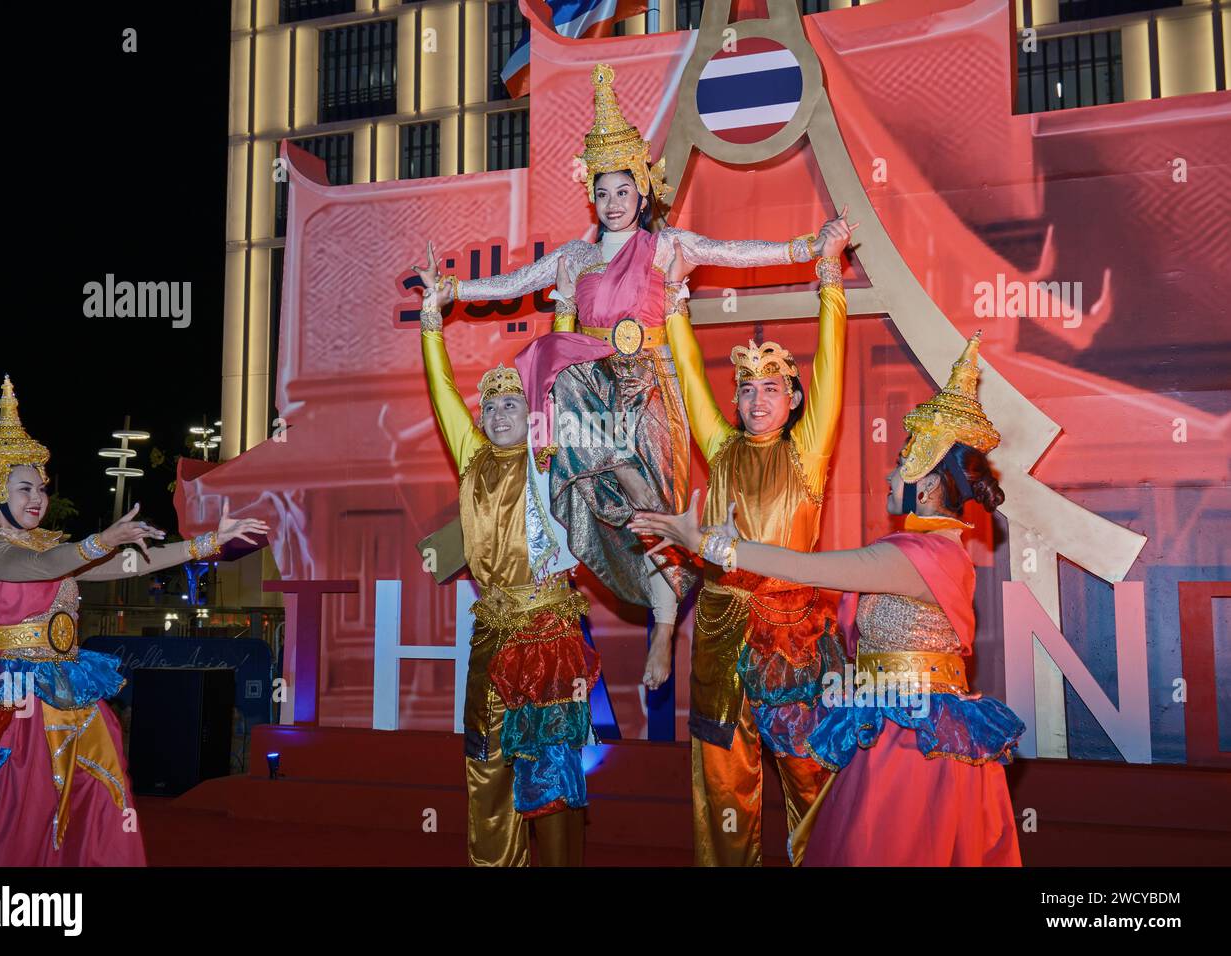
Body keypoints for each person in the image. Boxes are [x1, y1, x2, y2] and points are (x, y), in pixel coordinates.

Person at [416, 63, 835, 691]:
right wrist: (452, 289)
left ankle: (665, 623)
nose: (613, 204)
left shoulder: (666, 247)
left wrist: (808, 249)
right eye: (603, 193)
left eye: (624, 191)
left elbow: (737, 251)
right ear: (594, 195)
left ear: (643, 190)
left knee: (658, 511)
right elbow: (511, 286)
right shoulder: (577, 258)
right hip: (595, 391)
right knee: (564, 380)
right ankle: (629, 528)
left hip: (650, 386)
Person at [631, 334, 1026, 866]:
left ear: (929, 486)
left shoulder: (920, 557)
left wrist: (708, 542)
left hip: (912, 746)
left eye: (904, 460)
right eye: (746, 390)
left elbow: (804, 568)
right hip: (887, 728)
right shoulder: (923, 548)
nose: (890, 473)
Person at [0, 376, 268, 864]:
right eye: (24, 488)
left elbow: (130, 564)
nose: (37, 498)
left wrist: (209, 542)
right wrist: (102, 541)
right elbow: (42, 568)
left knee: (91, 786)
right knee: (18, 800)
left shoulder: (54, 545)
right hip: (8, 690)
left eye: (41, 488)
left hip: (66, 681)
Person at [631, 211, 855, 865]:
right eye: (747, 390)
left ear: (793, 398)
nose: (758, 401)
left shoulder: (806, 454)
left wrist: (829, 276)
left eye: (772, 389)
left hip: (795, 640)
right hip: (723, 640)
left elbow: (833, 373)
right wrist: (674, 299)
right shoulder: (721, 450)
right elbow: (691, 379)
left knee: (815, 787)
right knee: (726, 793)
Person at [419, 293, 600, 866]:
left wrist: (566, 306)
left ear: (532, 415)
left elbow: (556, 371)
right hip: (492, 636)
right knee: (487, 764)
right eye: (490, 407)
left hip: (549, 631)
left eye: (512, 406)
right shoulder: (473, 460)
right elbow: (443, 393)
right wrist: (431, 319)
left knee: (549, 775)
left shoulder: (546, 459)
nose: (500, 415)